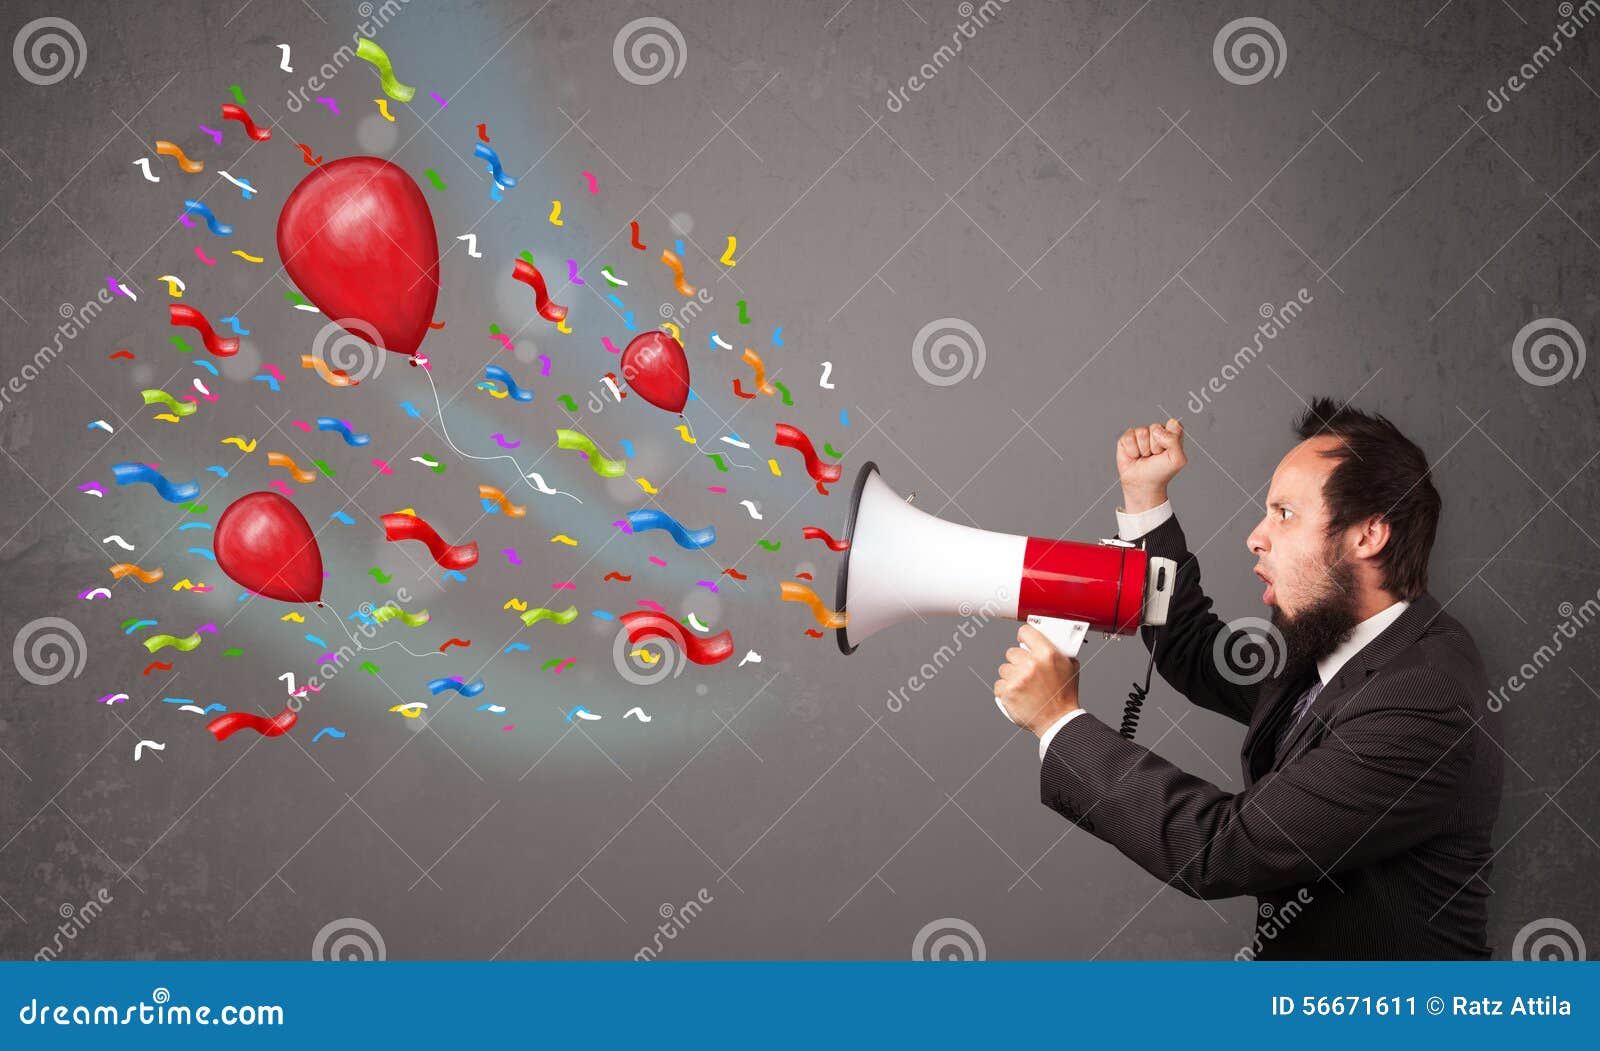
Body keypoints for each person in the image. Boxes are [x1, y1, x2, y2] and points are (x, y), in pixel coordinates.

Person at [992, 400, 1503, 958]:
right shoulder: (1331, 644)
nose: (1255, 537)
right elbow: (1193, 650)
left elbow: (1221, 851)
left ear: (1368, 535)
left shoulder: (1422, 697)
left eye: (1284, 513)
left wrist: (1059, 722)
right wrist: (1146, 499)